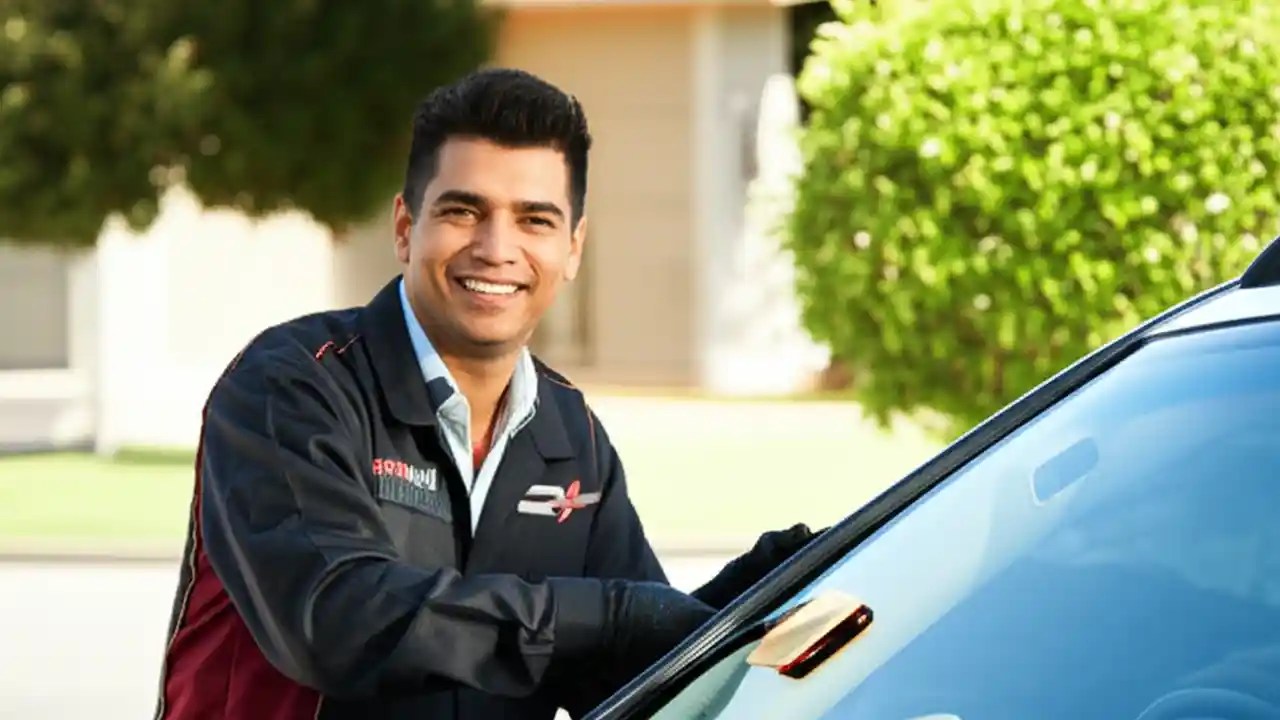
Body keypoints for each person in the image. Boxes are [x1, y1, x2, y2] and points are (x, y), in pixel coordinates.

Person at [153, 67, 820, 720]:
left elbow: (621, 669)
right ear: (405, 227)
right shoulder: (291, 384)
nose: (497, 248)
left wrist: (747, 597)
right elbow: (336, 622)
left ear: (573, 248)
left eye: (535, 220)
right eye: (464, 211)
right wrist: (613, 616)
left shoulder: (571, 435)